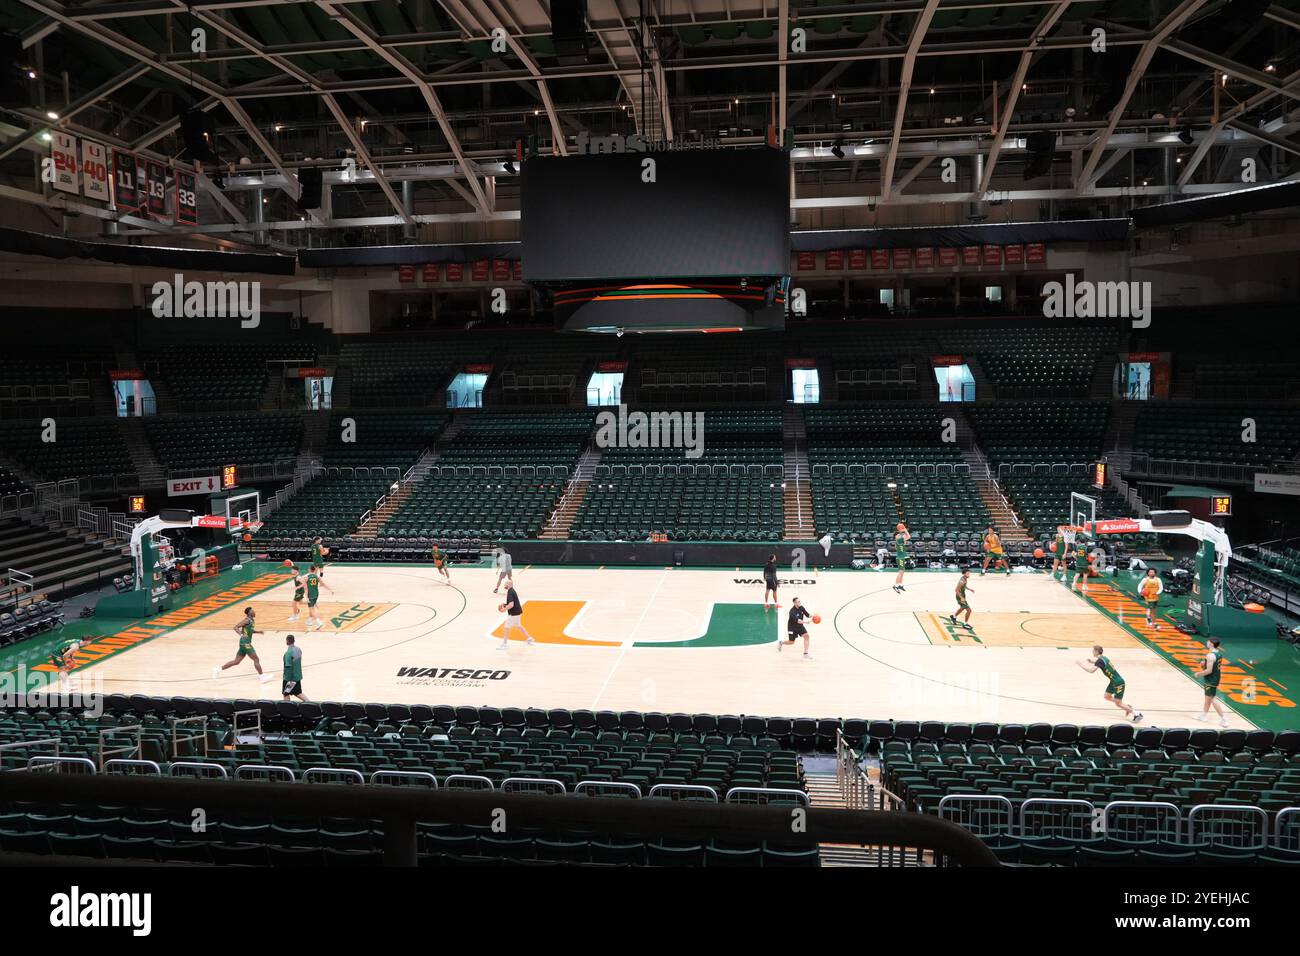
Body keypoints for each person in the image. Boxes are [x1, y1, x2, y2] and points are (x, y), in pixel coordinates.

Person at [1077, 646, 1142, 722]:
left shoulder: (1099, 661)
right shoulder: (1104, 658)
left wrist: (1080, 665)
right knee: (1107, 696)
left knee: (1118, 704)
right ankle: (1126, 707)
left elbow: (1091, 671)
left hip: (1118, 682)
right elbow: (1101, 663)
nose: (1092, 652)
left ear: (1096, 652)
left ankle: (1137, 714)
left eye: (1093, 651)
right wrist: (1092, 662)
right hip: (1113, 681)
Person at [214, 607, 271, 682]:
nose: (254, 612)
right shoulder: (246, 620)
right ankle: (262, 677)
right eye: (253, 611)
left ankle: (218, 669)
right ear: (249, 613)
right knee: (256, 659)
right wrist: (241, 634)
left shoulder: (252, 620)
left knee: (236, 661)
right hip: (245, 643)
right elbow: (235, 627)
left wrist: (258, 632)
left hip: (243, 643)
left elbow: (250, 630)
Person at [1194, 638, 1229, 727]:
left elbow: (1209, 670)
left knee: (1212, 698)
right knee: (1207, 698)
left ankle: (1223, 719)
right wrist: (1204, 664)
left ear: (1212, 644)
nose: (1207, 642)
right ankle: (1204, 715)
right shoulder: (1218, 653)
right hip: (1215, 677)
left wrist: (1199, 674)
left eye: (1208, 641)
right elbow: (1213, 666)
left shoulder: (1210, 655)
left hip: (1211, 679)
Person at [497, 577, 536, 650]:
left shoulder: (510, 593)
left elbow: (511, 605)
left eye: (505, 583)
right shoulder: (511, 591)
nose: (504, 584)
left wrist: (504, 609)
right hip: (518, 612)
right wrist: (505, 604)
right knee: (519, 626)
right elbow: (511, 603)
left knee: (506, 627)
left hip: (514, 614)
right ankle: (529, 638)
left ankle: (504, 644)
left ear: (509, 585)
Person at [305, 566, 333, 631]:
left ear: (309, 570)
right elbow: (323, 584)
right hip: (316, 594)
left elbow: (306, 589)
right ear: (314, 570)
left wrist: (306, 597)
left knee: (311, 609)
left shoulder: (306, 577)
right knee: (312, 607)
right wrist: (330, 590)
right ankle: (309, 620)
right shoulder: (317, 577)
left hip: (310, 594)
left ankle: (319, 622)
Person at [282, 634, 306, 702]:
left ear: (287, 642)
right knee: (298, 693)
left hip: (290, 679)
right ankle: (310, 703)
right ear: (294, 641)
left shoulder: (288, 653)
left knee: (286, 694)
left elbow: (288, 667)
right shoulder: (298, 649)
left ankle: (287, 709)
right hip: (298, 676)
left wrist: (289, 682)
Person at [892, 523, 910, 593]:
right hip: (900, 558)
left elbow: (905, 538)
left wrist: (901, 531)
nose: (900, 535)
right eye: (899, 535)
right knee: (900, 572)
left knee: (902, 572)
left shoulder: (899, 541)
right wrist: (905, 530)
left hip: (901, 557)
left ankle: (900, 584)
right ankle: (895, 585)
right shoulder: (899, 540)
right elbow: (908, 536)